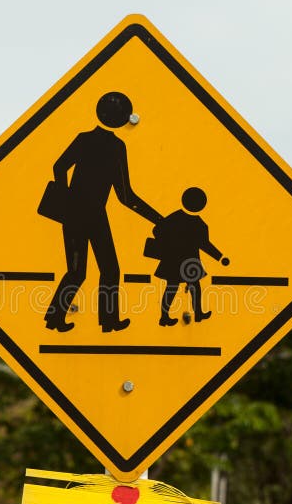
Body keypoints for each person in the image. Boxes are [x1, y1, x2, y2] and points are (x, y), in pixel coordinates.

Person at [42, 92, 161, 332]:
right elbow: (125, 196)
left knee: (82, 272)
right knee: (104, 270)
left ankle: (72, 319)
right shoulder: (117, 146)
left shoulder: (84, 139)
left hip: (81, 214)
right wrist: (159, 219)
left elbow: (59, 166)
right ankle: (99, 321)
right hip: (92, 214)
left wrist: (67, 200)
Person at [147, 187, 229, 326]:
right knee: (189, 286)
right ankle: (182, 315)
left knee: (177, 287)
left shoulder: (175, 217)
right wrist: (220, 257)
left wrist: (219, 257)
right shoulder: (200, 224)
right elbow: (205, 245)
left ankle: (182, 315)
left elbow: (157, 230)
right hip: (187, 262)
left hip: (177, 260)